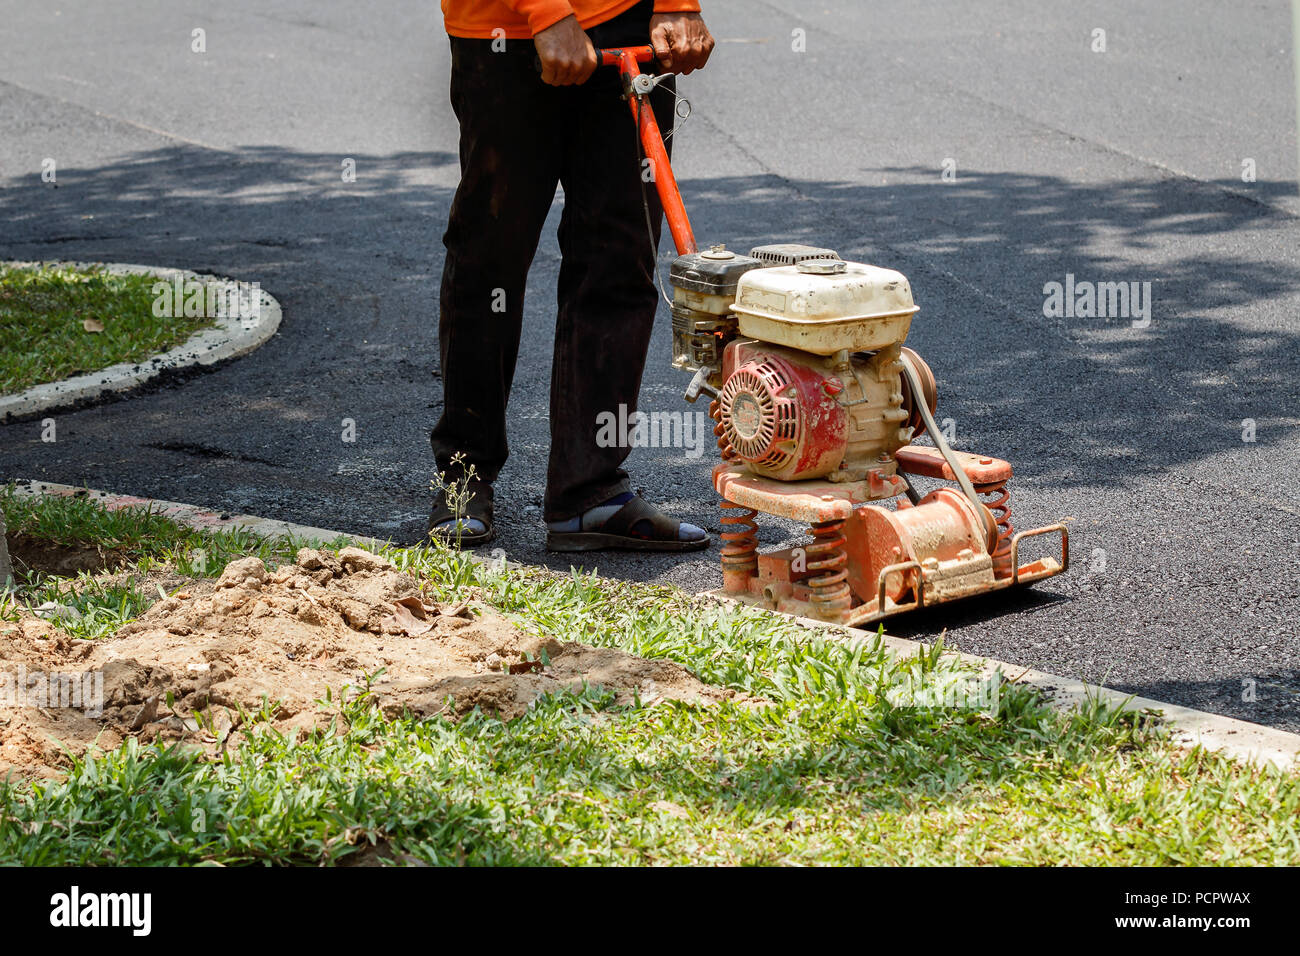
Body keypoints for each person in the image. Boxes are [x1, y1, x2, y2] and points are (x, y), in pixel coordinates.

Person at [429, 0, 715, 552]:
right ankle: (464, 479)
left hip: (626, 18)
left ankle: (590, 493)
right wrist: (546, 12)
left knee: (621, 255)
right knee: (489, 259)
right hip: (505, 30)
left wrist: (677, 3)